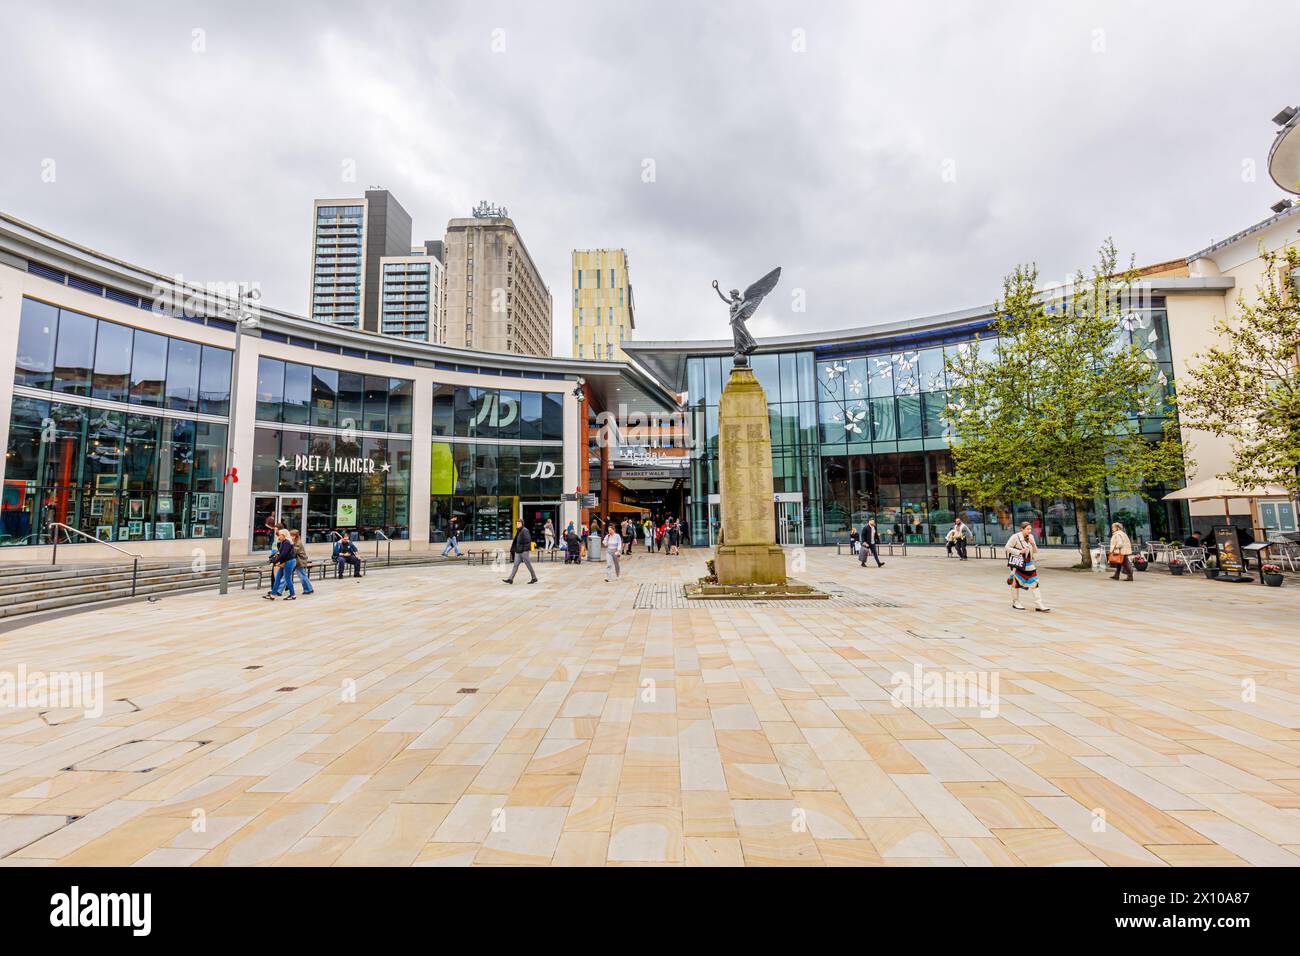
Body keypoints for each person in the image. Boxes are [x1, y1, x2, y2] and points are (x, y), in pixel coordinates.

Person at [1006, 521, 1049, 611]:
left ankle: (1039, 604)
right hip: (1019, 564)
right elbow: (1007, 547)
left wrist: (1033, 544)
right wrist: (1019, 552)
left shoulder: (1031, 537)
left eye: (1030, 529)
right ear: (1022, 529)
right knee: (1016, 583)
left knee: (1035, 582)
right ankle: (1016, 602)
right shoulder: (1015, 537)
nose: (1030, 531)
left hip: (1029, 564)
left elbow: (1035, 551)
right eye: (1027, 529)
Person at [264, 529, 298, 600]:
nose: (278, 537)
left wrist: (275, 561)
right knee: (278, 578)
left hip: (289, 562)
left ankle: (293, 595)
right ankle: (273, 595)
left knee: (287, 579)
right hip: (285, 562)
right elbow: (280, 552)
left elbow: (283, 554)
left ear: (284, 535)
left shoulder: (287, 542)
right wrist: (279, 542)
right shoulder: (283, 542)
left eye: (279, 535)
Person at [503, 519, 538, 584]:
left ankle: (534, 578)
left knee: (528, 564)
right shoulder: (518, 531)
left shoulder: (525, 530)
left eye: (519, 523)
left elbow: (528, 541)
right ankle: (510, 579)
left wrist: (524, 550)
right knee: (515, 565)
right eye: (517, 523)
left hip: (524, 551)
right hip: (518, 551)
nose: (518, 524)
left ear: (522, 524)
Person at [290, 529, 315, 595]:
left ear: (295, 536)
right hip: (298, 561)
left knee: (302, 576)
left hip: (300, 561)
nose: (290, 537)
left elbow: (294, 551)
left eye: (291, 536)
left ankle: (308, 589)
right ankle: (309, 589)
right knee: (303, 575)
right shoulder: (295, 542)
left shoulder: (298, 543)